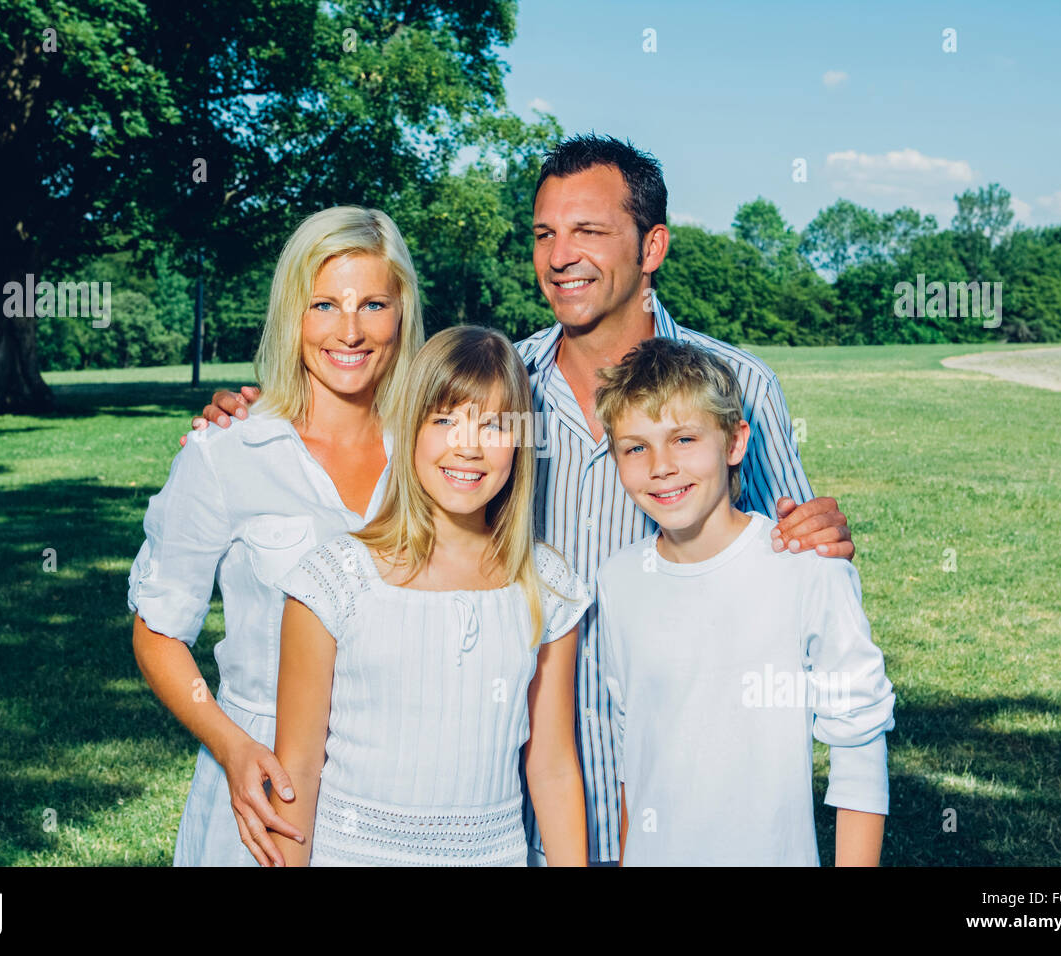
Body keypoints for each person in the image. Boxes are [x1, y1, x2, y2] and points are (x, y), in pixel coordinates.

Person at [194, 134, 857, 864]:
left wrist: (815, 534)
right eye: (545, 234)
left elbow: (798, 568)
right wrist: (261, 413)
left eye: (589, 232)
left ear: (653, 246)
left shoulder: (739, 387)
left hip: (681, 801)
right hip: (515, 817)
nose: (560, 254)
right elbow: (383, 407)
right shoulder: (507, 387)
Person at [128, 206, 424, 866]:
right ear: (293, 313)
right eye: (324, 304)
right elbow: (157, 631)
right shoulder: (225, 452)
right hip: (265, 783)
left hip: (400, 782)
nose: (349, 330)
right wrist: (232, 747)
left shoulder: (436, 452)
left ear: (402, 312)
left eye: (373, 303)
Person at [269, 325, 591, 866]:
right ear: (409, 429)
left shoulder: (547, 585)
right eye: (444, 420)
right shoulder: (334, 579)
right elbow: (296, 769)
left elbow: (553, 765)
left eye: (492, 425)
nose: (468, 445)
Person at [594, 338, 895, 865]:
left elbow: (860, 740)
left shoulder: (806, 567)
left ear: (735, 443)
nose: (661, 466)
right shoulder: (618, 582)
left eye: (684, 438)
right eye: (635, 447)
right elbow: (632, 751)